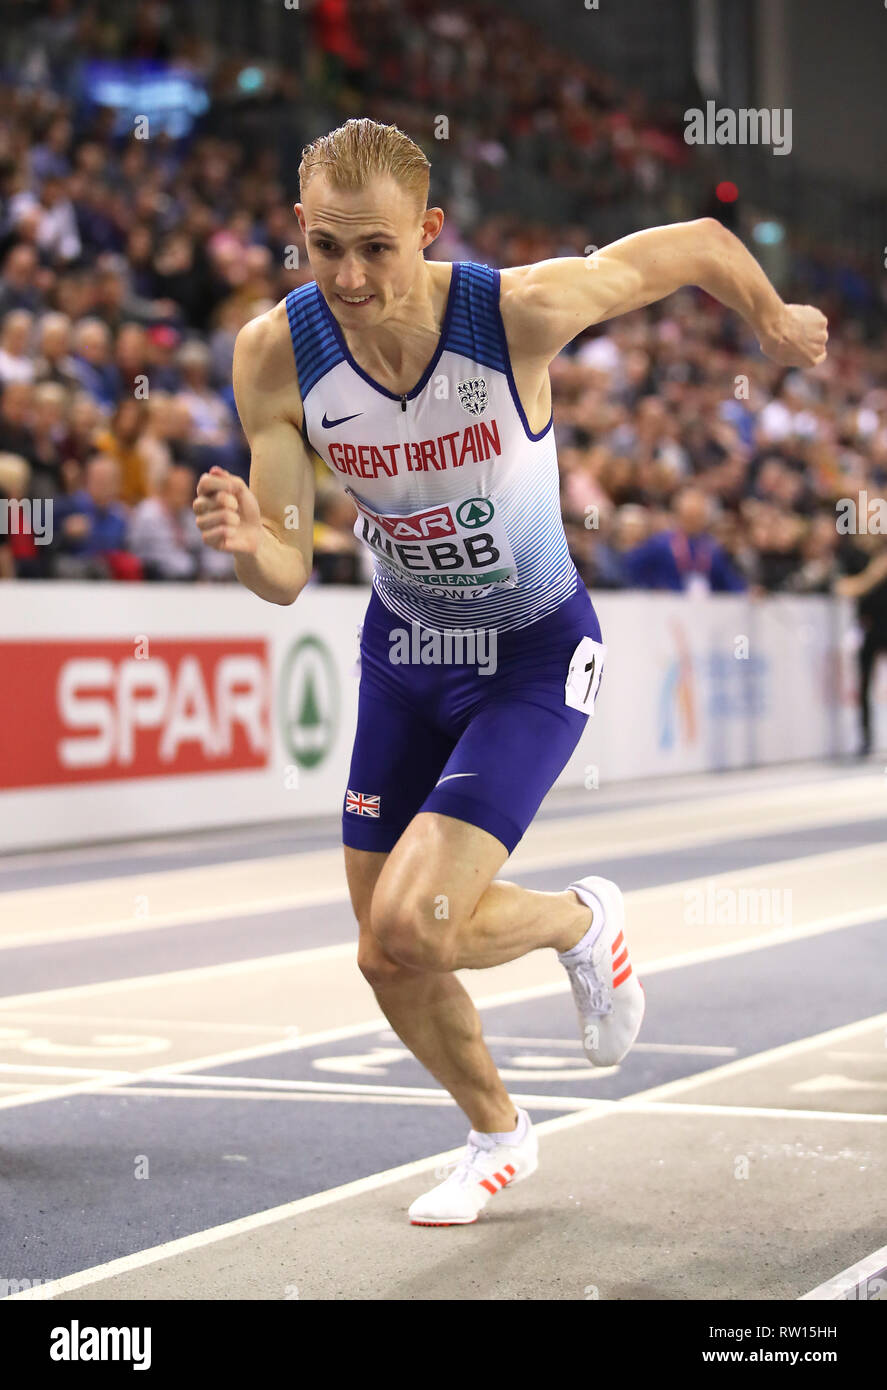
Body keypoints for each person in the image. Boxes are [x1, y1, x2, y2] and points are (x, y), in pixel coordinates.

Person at [193, 118, 828, 1225]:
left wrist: (770, 318)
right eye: (326, 246)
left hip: (530, 650)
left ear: (427, 232)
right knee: (383, 955)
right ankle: (498, 1133)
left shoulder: (513, 311)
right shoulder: (273, 354)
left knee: (422, 925)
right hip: (404, 655)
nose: (349, 276)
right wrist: (254, 542)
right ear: (300, 232)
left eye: (377, 250)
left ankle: (581, 923)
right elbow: (290, 568)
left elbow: (689, 242)